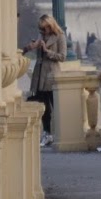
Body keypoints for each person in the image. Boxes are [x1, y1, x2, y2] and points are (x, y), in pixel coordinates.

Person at [25, 14, 66, 146]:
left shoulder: (60, 36)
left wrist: (47, 51)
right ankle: (47, 133)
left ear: (50, 26)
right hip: (39, 74)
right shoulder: (40, 36)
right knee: (43, 106)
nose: (42, 32)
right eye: (41, 29)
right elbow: (30, 49)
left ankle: (58, 134)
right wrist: (32, 47)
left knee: (54, 104)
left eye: (44, 29)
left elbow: (62, 56)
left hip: (51, 74)